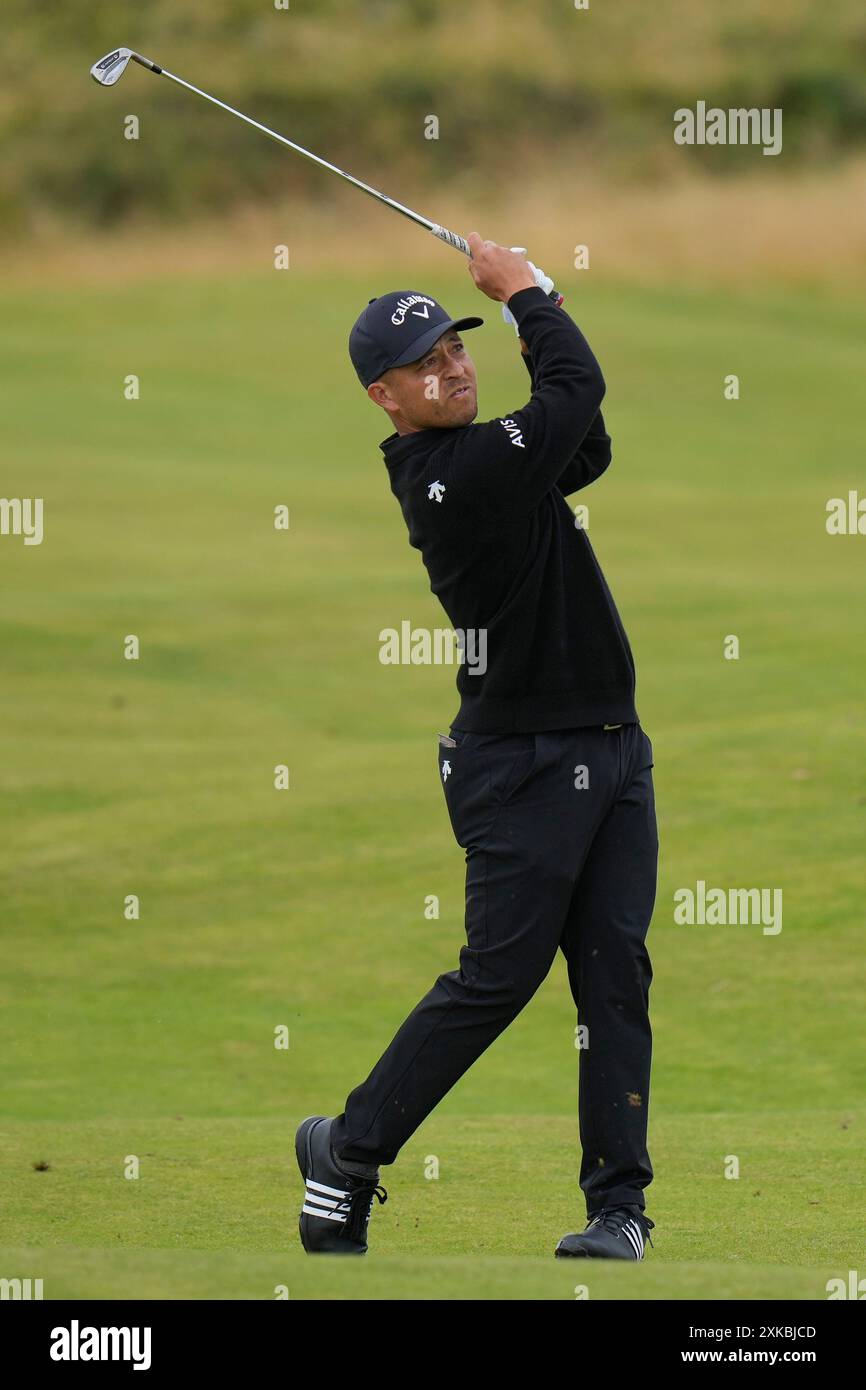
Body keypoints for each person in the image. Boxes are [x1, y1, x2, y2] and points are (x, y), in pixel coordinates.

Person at [296, 234, 658, 1261]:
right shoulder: (444, 477)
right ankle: (348, 1149)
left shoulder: (494, 452)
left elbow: (581, 437)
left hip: (610, 746)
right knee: (497, 977)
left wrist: (532, 318)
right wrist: (525, 293)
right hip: (519, 764)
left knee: (612, 975)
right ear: (385, 397)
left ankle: (616, 1208)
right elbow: (575, 382)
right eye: (424, 365)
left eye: (456, 350)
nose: (451, 368)